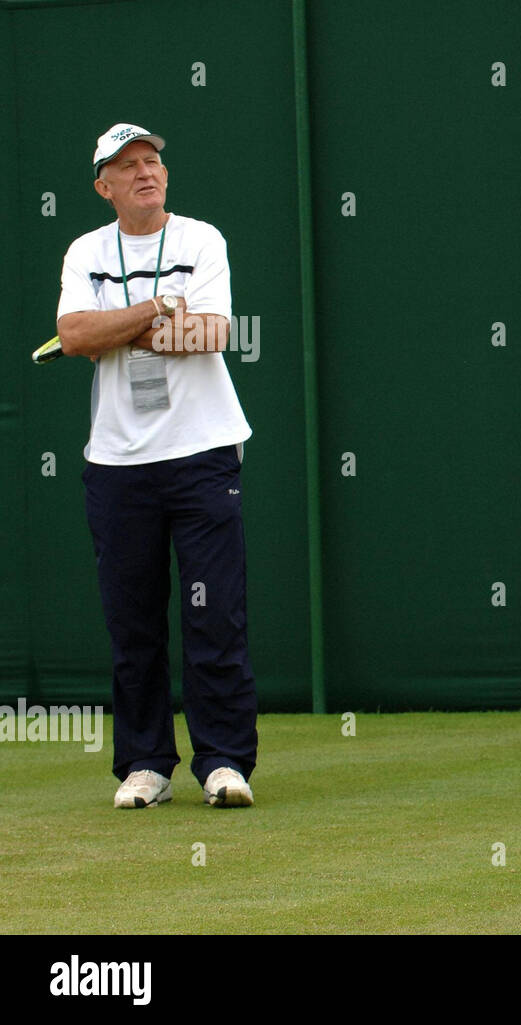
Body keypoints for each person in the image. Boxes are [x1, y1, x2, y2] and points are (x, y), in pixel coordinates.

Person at [57, 124, 258, 809]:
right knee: (133, 621)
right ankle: (146, 764)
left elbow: (210, 332)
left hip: (203, 455)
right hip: (117, 465)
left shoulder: (202, 240)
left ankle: (224, 760)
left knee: (215, 615)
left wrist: (115, 330)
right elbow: (75, 335)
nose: (144, 172)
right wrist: (151, 309)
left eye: (152, 162)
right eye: (126, 166)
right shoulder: (85, 250)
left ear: (165, 176)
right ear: (103, 186)